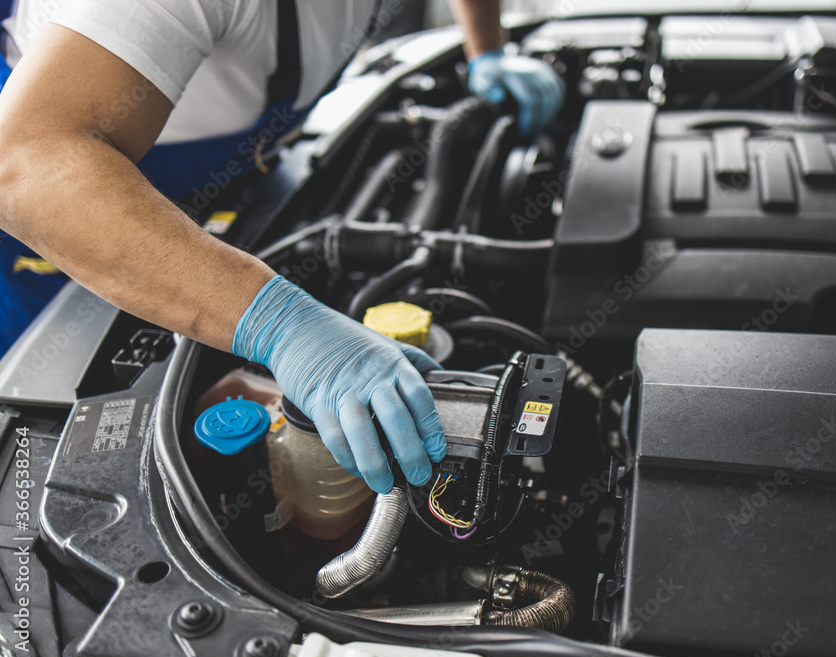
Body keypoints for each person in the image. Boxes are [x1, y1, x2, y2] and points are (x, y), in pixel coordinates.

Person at [0, 0, 564, 493]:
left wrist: (485, 48)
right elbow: (27, 164)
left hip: (223, 176)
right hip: (60, 220)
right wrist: (281, 326)